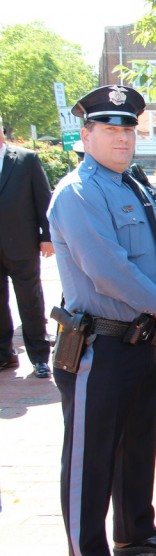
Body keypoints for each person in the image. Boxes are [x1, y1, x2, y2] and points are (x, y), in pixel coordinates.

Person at [48, 85, 156, 556]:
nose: (122, 138)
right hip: (97, 350)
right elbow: (106, 269)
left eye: (129, 128)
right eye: (110, 129)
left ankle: (135, 528)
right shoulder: (77, 193)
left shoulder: (135, 184)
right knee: (90, 464)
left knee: (138, 446)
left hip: (141, 343)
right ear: (85, 136)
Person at [0, 120, 54, 377]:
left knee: (30, 301)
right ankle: (4, 355)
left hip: (22, 244)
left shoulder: (26, 159)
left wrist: (48, 236)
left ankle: (39, 357)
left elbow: (44, 199)